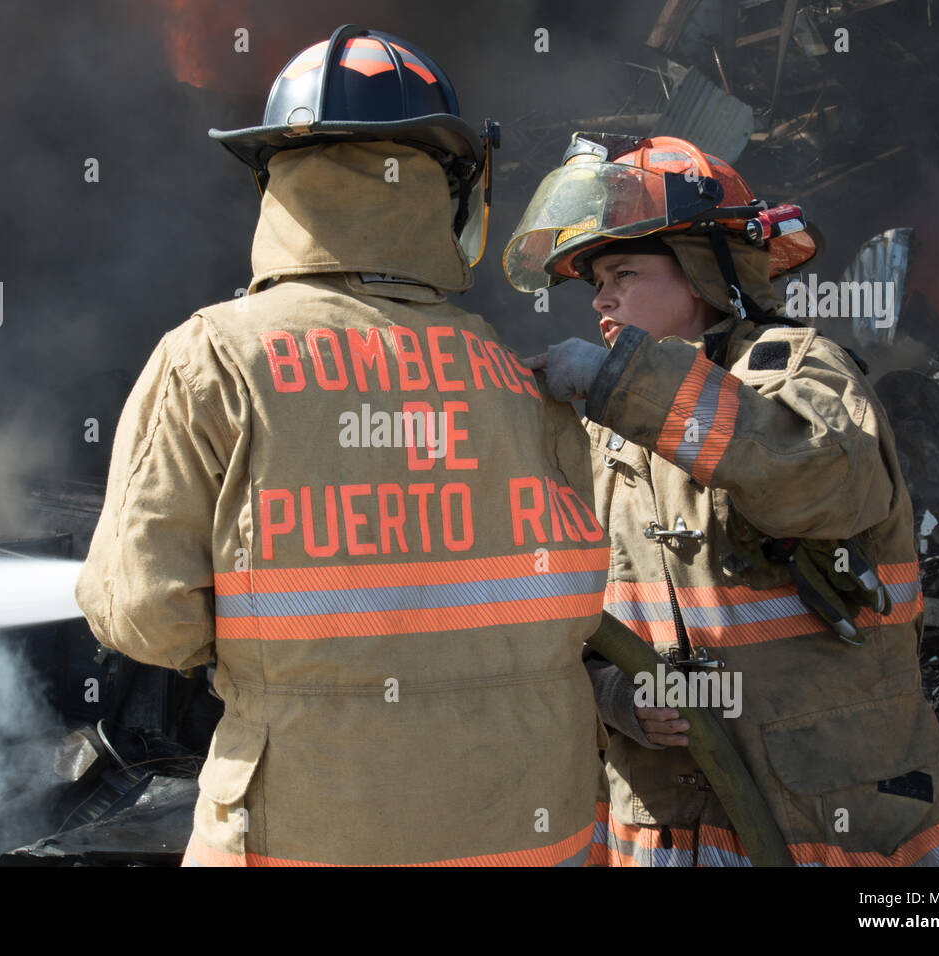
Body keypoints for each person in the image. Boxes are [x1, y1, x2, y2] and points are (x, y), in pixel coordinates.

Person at [75, 26, 611, 866]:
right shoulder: (520, 381)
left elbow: (148, 615)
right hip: (530, 827)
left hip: (310, 831)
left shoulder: (211, 359)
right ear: (453, 192)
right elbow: (580, 599)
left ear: (275, 186)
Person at [507, 133, 939, 866]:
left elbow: (817, 481)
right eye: (595, 284)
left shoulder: (801, 374)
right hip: (663, 825)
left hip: (827, 817)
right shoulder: (604, 435)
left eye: (624, 271)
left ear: (703, 272)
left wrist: (626, 384)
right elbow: (555, 612)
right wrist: (618, 698)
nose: (603, 298)